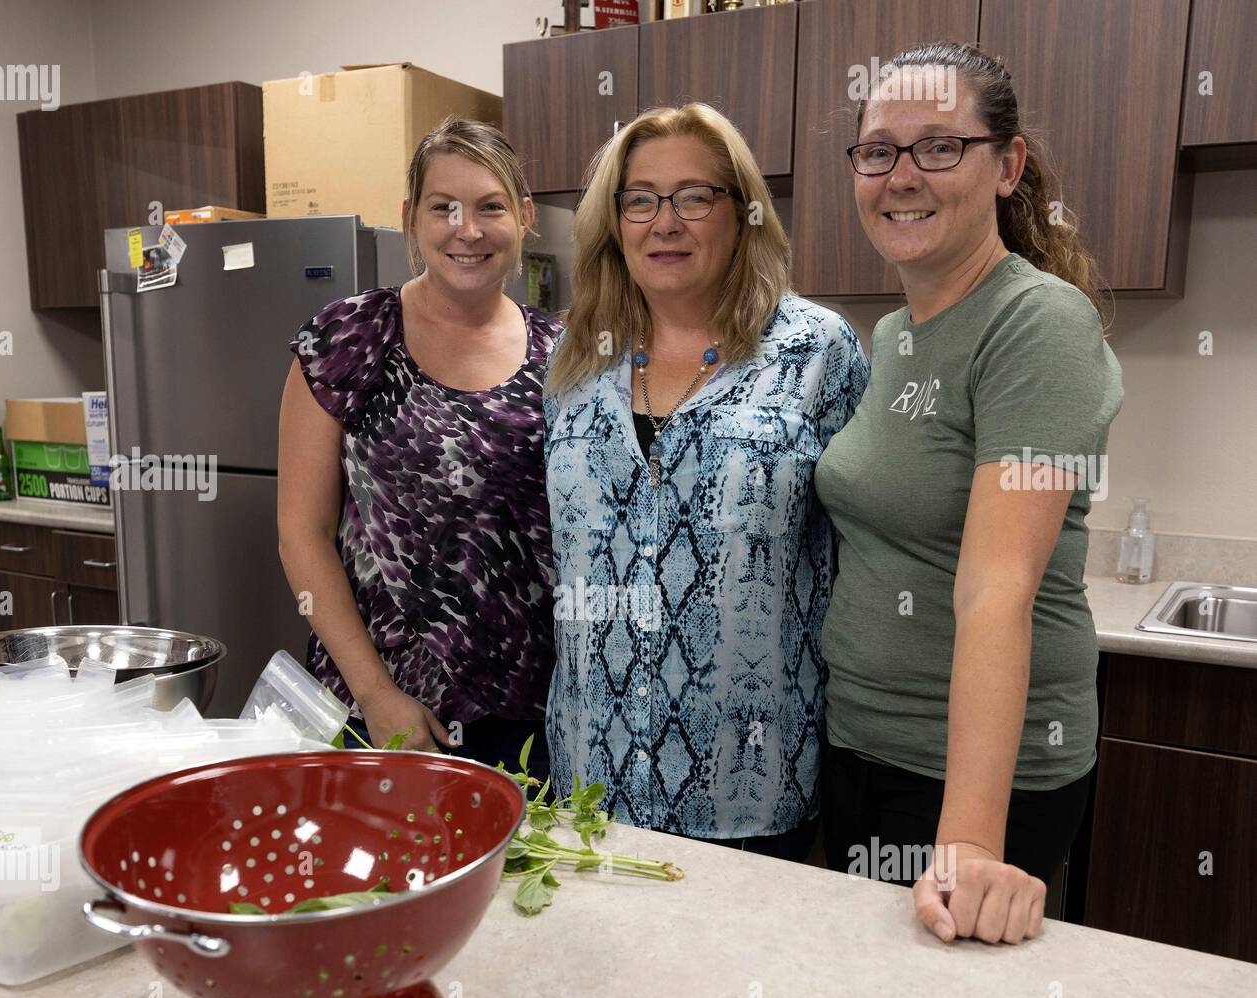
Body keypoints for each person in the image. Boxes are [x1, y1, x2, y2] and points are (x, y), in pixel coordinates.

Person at [814, 44, 1124, 943]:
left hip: (977, 779)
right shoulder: (897, 334)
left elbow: (997, 589)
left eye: (938, 147)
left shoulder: (1038, 322)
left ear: (1007, 166)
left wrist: (971, 845)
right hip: (861, 745)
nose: (902, 176)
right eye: (879, 151)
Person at [543, 103, 869, 860]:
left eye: (695, 196)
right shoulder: (574, 361)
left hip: (754, 790)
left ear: (742, 212)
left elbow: (863, 552)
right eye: (641, 199)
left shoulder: (818, 352)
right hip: (592, 781)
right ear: (614, 221)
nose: (666, 222)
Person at [278, 117, 561, 773]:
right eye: (444, 208)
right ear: (411, 217)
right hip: (383, 717)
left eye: (491, 206)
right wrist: (377, 695)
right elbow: (302, 532)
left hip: (534, 720)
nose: (468, 229)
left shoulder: (564, 353)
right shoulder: (349, 336)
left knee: (531, 877)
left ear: (523, 217)